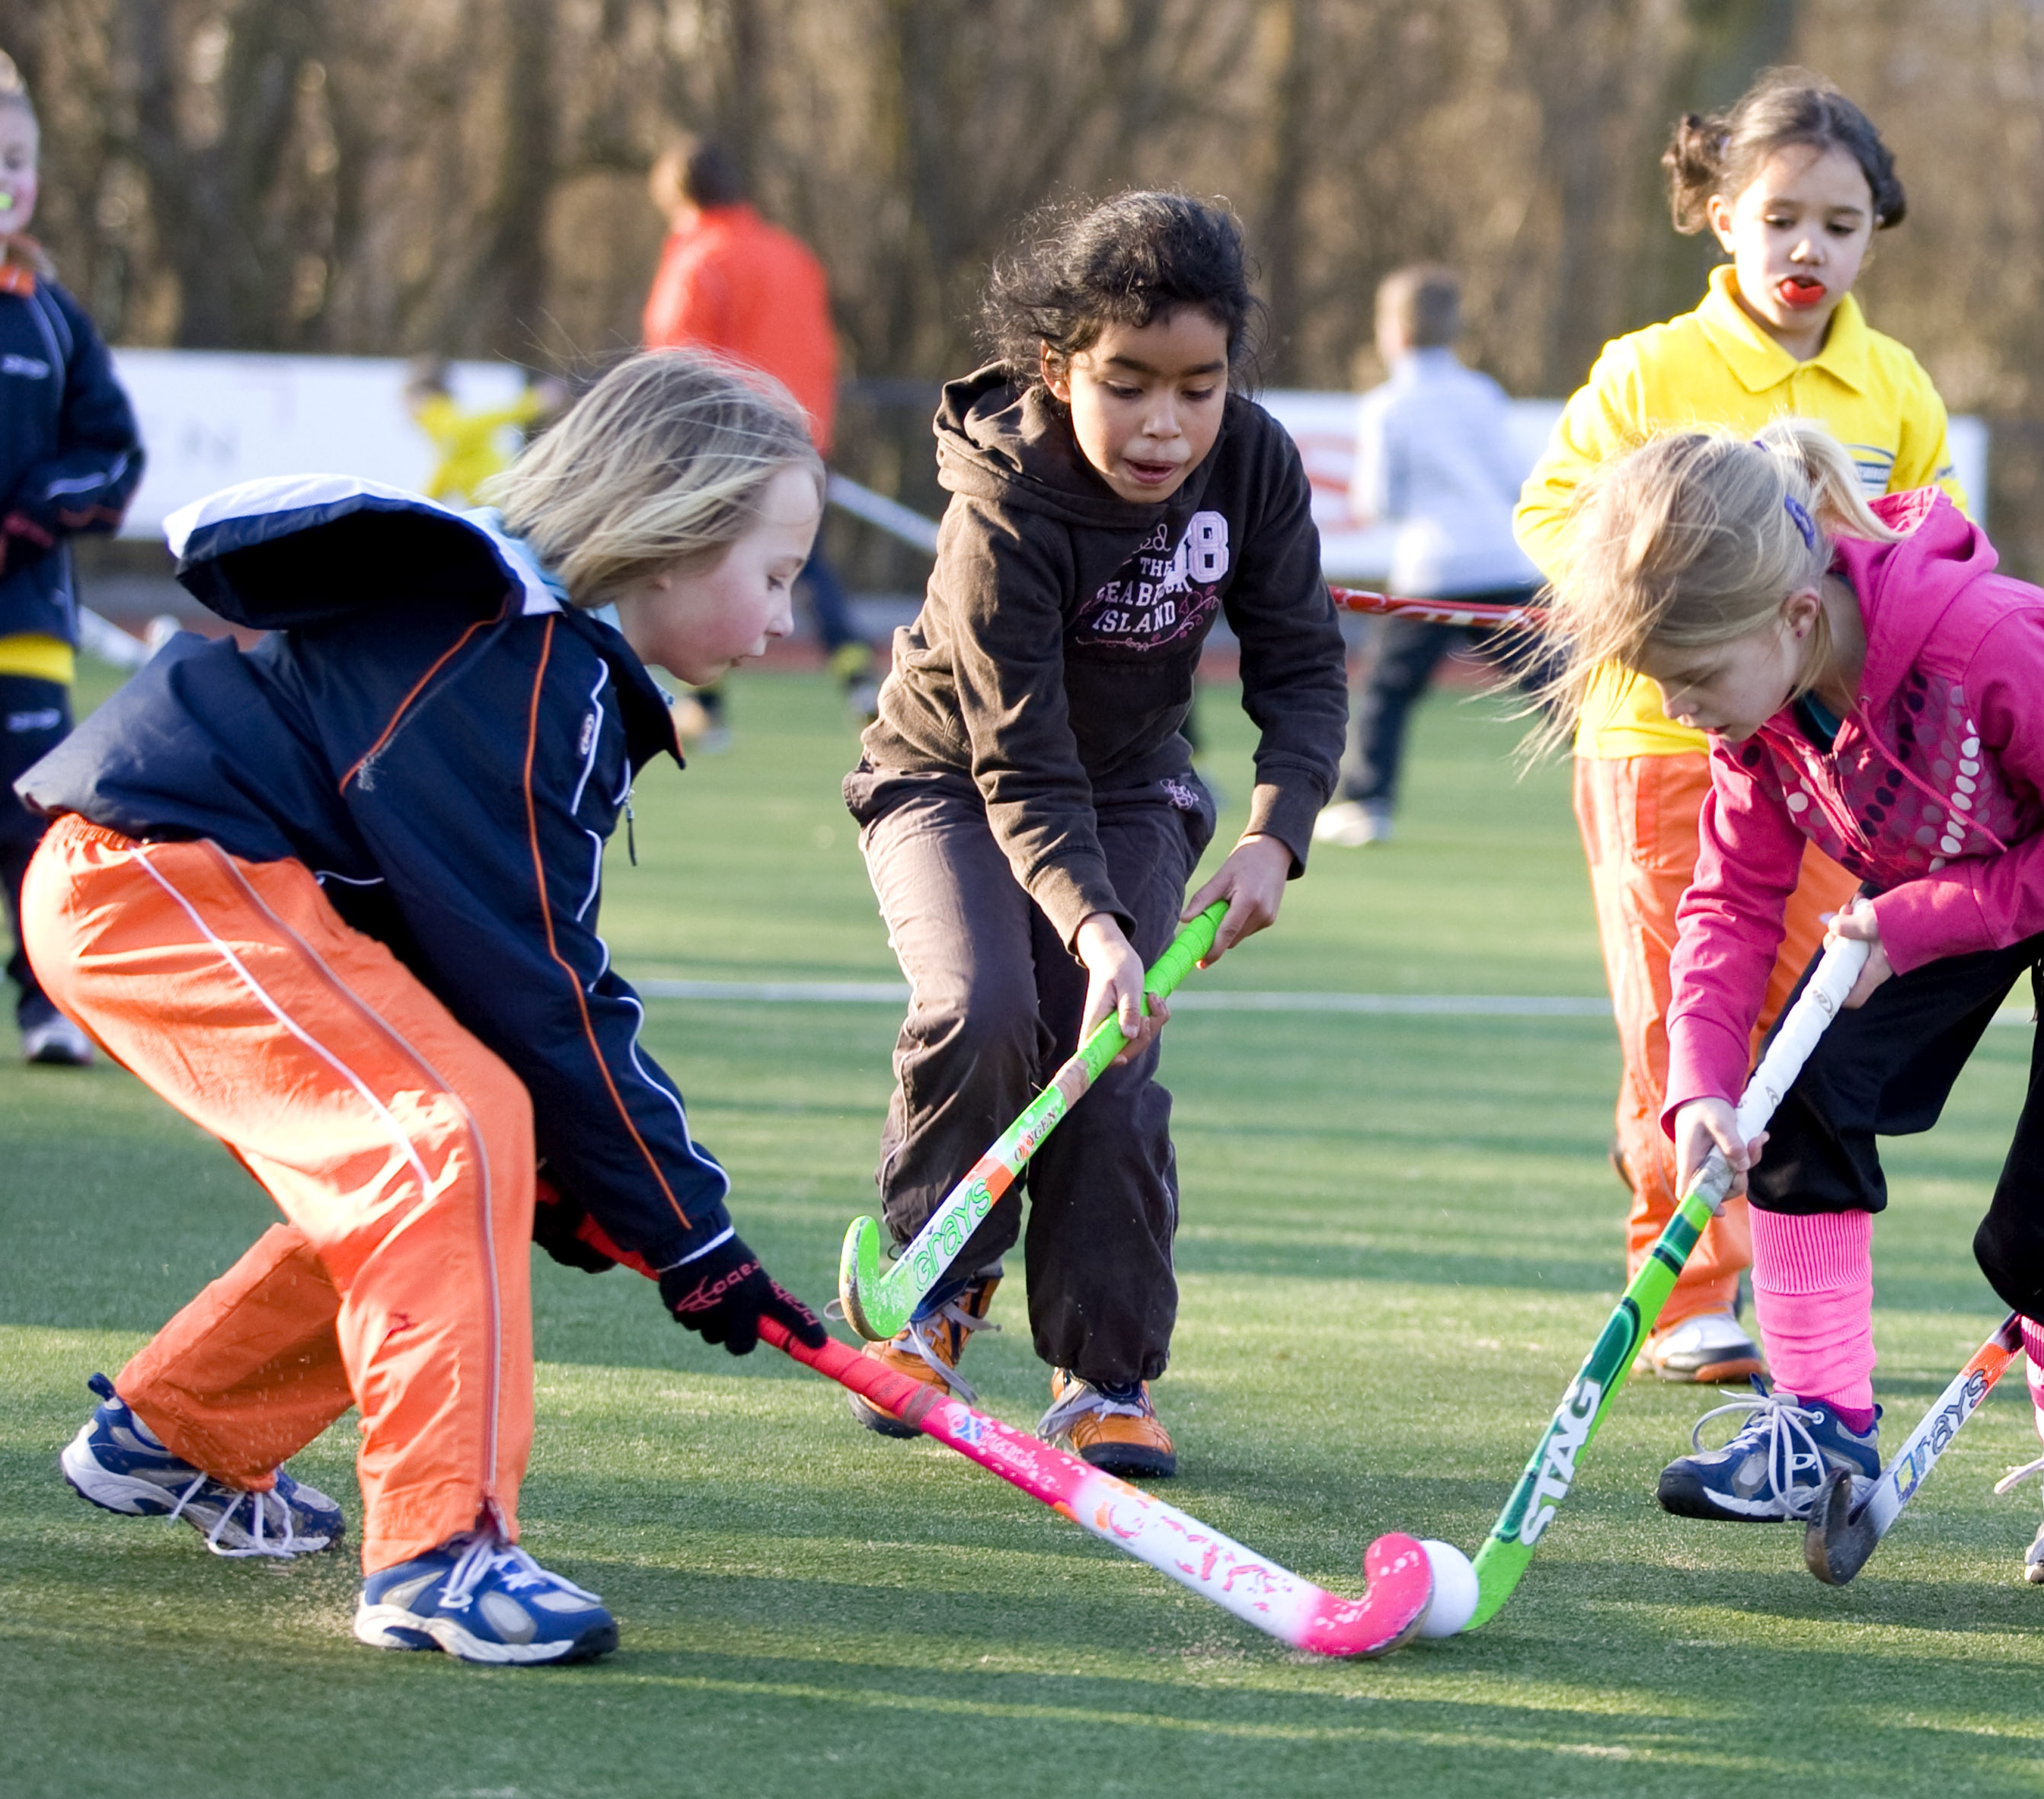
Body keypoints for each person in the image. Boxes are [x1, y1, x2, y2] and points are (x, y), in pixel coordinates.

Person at [18, 351, 832, 1663]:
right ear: (674, 537)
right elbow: (538, 977)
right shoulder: (523, 662)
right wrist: (689, 1236)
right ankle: (439, 1557)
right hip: (167, 882)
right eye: (775, 570)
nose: (786, 617)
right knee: (446, 1139)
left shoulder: (536, 657)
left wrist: (582, 1180)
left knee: (468, 1156)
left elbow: (478, 958)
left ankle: (175, 1435)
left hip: (184, 885)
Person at [1538, 423, 2044, 1587]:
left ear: (1793, 619)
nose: (1678, 709)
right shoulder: (1763, 714)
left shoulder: (1981, 645)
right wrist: (1703, 1086)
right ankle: (1818, 1425)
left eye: (1692, 677)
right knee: (1801, 1100)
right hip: (1971, 865)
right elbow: (1727, 902)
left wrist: (1920, 920)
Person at [842, 191, 1345, 1477]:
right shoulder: (1000, 511)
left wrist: (1273, 835)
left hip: (1127, 789)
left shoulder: (1255, 462)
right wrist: (1095, 924)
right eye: (1126, 384)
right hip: (948, 778)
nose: (1164, 424)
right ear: (1060, 368)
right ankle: (935, 1291)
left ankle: (1100, 1371)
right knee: (986, 1002)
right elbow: (1019, 754)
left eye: (1197, 384)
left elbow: (1300, 666)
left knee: (1106, 1055)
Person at [1514, 69, 1962, 1386]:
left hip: (1834, 760)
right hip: (1660, 747)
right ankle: (1682, 1288)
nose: (1805, 248)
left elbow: (1929, 559)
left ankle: (1792, 1266)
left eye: (1837, 221)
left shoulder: (1894, 388)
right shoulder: (1646, 370)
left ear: (1874, 230)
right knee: (1678, 1012)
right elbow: (1551, 518)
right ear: (1719, 218)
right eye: (1777, 218)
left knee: (1810, 1003)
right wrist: (1663, 572)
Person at [0, 53, 144, 1068]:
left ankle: (46, 1004)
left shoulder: (54, 321)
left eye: (16, 160)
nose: (6, 178)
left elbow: (116, 453)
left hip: (25, 621)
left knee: (27, 816)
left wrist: (35, 512)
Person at [643, 134, 870, 727]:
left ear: (680, 196)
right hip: (801, 439)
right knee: (808, 567)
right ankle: (856, 678)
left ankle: (703, 701)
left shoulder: (700, 259)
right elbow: (820, 352)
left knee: (697, 561)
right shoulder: (792, 254)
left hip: (723, 443)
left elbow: (676, 362)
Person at [1311, 266, 1542, 848]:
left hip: (1433, 572)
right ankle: (1610, 771)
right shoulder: (1481, 393)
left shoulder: (1389, 406)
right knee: (1555, 685)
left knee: (1388, 688)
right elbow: (1517, 477)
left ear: (1393, 332)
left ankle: (1368, 803)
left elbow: (1376, 500)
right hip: (1503, 560)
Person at [404, 354, 567, 506]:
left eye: (408, 398)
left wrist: (534, 402)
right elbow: (448, 467)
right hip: (490, 499)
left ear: (421, 396)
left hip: (495, 499)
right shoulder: (438, 424)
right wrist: (420, 502)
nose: (405, 406)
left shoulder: (442, 421)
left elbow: (486, 420)